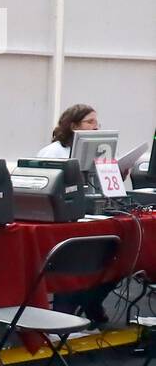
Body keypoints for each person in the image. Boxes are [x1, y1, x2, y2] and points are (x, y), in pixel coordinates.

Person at [38, 105, 109, 326]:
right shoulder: (52, 152)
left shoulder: (98, 153)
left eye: (97, 123)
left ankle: (89, 301)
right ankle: (67, 312)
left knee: (119, 258)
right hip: (58, 221)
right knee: (74, 259)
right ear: (73, 125)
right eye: (90, 122)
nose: (96, 127)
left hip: (87, 216)